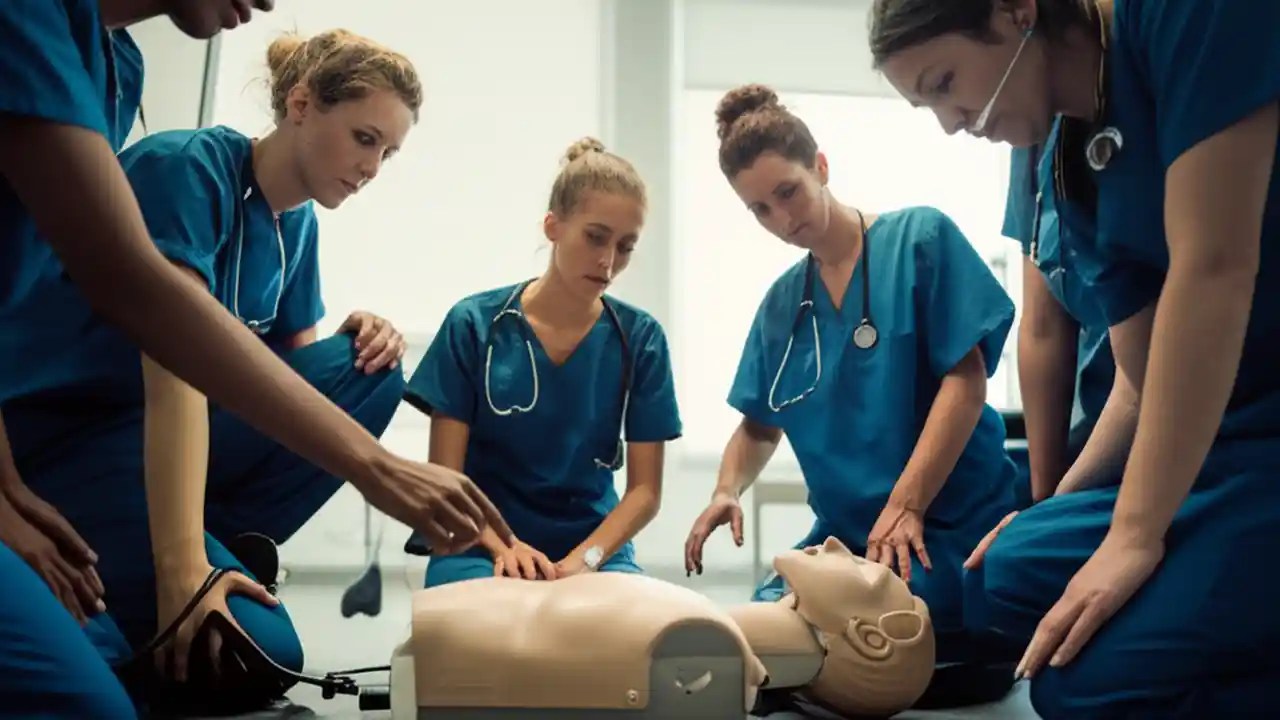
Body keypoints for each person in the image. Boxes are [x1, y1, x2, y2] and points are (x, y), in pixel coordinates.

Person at [0, 2, 508, 715]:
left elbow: (295, 382)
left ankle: (197, 541)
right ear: (301, 105)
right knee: (269, 650)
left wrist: (367, 338)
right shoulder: (189, 168)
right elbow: (173, 356)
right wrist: (183, 571)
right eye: (364, 139)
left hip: (151, 446)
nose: (371, 167)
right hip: (73, 438)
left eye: (387, 154)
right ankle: (165, 568)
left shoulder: (292, 226)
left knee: (369, 369)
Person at [870, 0, 1280, 717]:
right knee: (1001, 570)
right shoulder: (1069, 159)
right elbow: (1139, 382)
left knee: (1078, 690)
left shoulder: (1188, 18)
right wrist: (1048, 509)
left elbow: (1213, 268)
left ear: (1015, 12)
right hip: (1216, 449)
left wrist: (1134, 536)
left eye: (944, 83)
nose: (952, 121)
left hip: (1261, 445)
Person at [682, 84, 1019, 704]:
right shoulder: (784, 305)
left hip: (943, 526)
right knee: (761, 622)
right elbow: (759, 425)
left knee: (900, 616)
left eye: (788, 192)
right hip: (843, 540)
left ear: (821, 167)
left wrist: (909, 503)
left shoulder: (919, 240)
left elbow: (966, 379)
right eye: (759, 209)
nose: (782, 219)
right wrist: (725, 490)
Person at [403, 138, 682, 586]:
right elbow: (444, 478)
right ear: (553, 226)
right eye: (595, 237)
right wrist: (504, 548)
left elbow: (645, 493)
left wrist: (582, 561)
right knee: (487, 632)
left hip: (595, 549)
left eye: (626, 246)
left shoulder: (641, 340)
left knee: (627, 639)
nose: (608, 261)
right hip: (477, 539)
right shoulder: (474, 324)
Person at [1003, 116, 1114, 506]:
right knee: (1021, 549)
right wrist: (1043, 501)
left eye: (944, 82)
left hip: (1205, 428)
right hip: (1099, 430)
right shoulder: (1031, 142)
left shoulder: (1131, 117)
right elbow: (1041, 325)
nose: (950, 124)